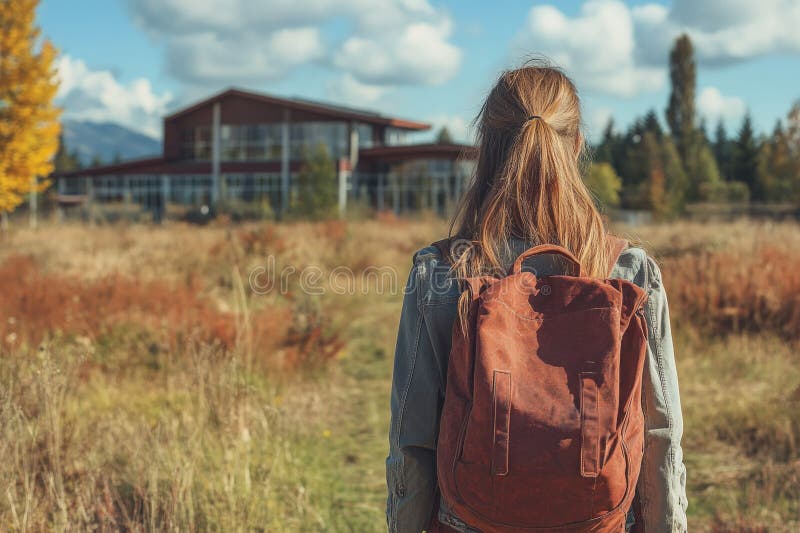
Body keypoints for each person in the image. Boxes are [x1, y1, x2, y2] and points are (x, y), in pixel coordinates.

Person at [385, 61, 687, 533]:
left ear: (485, 150)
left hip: (470, 520)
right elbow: (659, 432)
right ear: (577, 146)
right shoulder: (628, 273)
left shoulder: (442, 272)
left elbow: (412, 435)